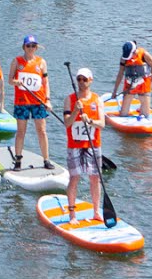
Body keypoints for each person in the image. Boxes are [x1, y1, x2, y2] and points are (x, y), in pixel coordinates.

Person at [62, 67, 105, 221]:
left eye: (84, 79)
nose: (81, 82)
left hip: (93, 144)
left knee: (95, 178)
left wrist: (90, 121)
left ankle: (96, 212)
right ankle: (72, 214)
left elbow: (102, 124)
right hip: (74, 145)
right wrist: (75, 111)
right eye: (79, 79)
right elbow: (67, 123)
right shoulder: (70, 99)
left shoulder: (97, 99)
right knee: (75, 177)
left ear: (90, 81)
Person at [10, 35, 55, 170]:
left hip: (38, 101)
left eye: (33, 46)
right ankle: (18, 160)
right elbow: (10, 80)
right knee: (21, 131)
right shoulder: (17, 61)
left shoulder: (41, 62)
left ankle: (46, 159)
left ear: (36, 47)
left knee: (41, 131)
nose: (31, 48)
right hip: (22, 101)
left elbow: (46, 83)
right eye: (28, 46)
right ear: (24, 47)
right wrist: (15, 82)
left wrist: (48, 100)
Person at [111, 40, 152, 119]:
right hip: (129, 85)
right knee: (123, 113)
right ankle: (125, 111)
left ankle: (143, 108)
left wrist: (150, 83)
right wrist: (115, 91)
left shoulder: (144, 55)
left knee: (145, 115)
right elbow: (120, 74)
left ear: (134, 51)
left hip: (144, 84)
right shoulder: (124, 59)